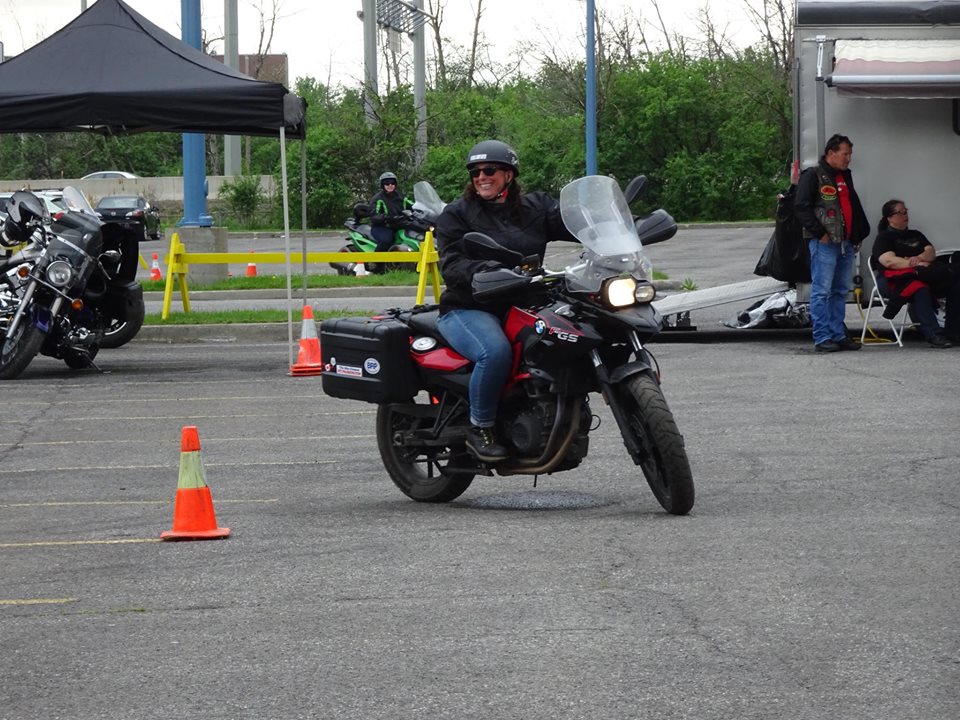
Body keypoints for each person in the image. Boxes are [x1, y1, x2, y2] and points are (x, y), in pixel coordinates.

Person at [434, 139, 576, 462]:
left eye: (490, 170)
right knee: (494, 352)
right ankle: (479, 427)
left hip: (524, 303)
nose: (481, 177)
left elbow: (573, 221)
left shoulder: (534, 208)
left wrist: (613, 224)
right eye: (476, 172)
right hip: (470, 306)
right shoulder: (457, 215)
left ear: (509, 174)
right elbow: (452, 265)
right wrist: (486, 272)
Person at [794, 133, 870, 353]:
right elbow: (801, 207)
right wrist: (820, 233)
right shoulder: (813, 175)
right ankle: (822, 337)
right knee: (821, 291)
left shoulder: (844, 176)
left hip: (845, 243)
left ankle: (838, 334)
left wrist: (857, 235)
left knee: (839, 291)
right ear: (831, 153)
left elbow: (852, 207)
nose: (849, 158)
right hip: (825, 243)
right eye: (845, 154)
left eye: (850, 154)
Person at [870, 199, 959, 348]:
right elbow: (889, 261)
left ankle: (954, 331)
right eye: (900, 212)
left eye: (906, 211)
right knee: (918, 287)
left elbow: (930, 252)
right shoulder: (884, 238)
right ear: (890, 218)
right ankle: (934, 334)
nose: (905, 215)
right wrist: (916, 263)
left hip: (920, 274)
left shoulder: (916, 234)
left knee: (955, 283)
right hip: (893, 280)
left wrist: (917, 259)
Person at [367, 171, 410, 252]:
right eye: (387, 183)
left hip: (399, 224)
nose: (390, 185)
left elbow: (412, 205)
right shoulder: (377, 198)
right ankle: (376, 262)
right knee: (386, 240)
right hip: (382, 227)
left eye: (392, 183)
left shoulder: (400, 196)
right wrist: (388, 217)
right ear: (382, 185)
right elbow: (374, 216)